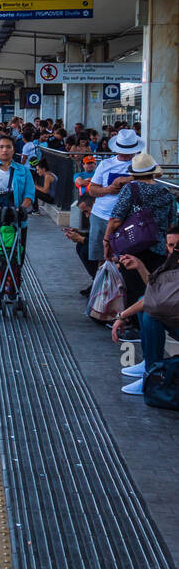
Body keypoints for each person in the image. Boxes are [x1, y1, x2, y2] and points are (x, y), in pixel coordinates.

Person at [111, 227, 179, 395]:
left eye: (177, 245)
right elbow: (156, 292)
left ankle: (152, 375)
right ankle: (150, 361)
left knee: (149, 313)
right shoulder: (172, 263)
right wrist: (140, 267)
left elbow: (157, 301)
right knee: (144, 302)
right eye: (170, 245)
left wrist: (122, 316)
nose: (173, 250)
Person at [104, 152, 178, 307]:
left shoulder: (131, 189)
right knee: (151, 285)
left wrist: (107, 240)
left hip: (133, 245)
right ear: (153, 172)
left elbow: (116, 219)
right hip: (158, 248)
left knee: (131, 284)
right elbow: (172, 224)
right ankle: (148, 320)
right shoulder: (166, 193)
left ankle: (130, 321)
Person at [84, 128, 143, 289]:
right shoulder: (106, 164)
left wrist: (129, 178)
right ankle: (100, 288)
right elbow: (92, 190)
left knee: (123, 257)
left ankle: (119, 289)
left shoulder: (140, 164)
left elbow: (156, 173)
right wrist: (109, 189)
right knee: (100, 257)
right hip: (101, 215)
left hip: (127, 218)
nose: (125, 154)